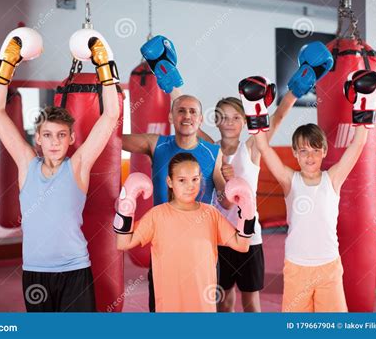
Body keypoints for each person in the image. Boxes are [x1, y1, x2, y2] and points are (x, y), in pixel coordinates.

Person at [0, 27, 120, 311]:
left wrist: (105, 67)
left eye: (61, 135)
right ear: (38, 139)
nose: (55, 141)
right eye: (47, 135)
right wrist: (6, 65)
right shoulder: (26, 164)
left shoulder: (78, 167)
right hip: (35, 273)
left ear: (72, 139)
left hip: (75, 272)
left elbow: (111, 115)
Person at [198, 41, 334, 312]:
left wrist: (295, 90)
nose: (228, 122)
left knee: (251, 302)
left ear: (244, 121)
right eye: (222, 117)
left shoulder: (252, 147)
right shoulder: (209, 148)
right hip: (219, 237)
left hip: (251, 237)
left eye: (235, 117)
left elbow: (280, 116)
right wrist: (169, 80)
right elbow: (186, 124)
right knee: (222, 301)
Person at [252, 69, 376, 312]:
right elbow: (263, 147)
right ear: (295, 154)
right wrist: (254, 109)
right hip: (297, 267)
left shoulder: (333, 179)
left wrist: (365, 99)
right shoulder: (289, 180)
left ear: (323, 152)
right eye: (303, 150)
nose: (309, 156)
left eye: (314, 150)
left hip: (328, 267)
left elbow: (359, 142)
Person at [123, 35, 230, 311]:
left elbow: (224, 197)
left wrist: (235, 193)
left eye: (193, 112)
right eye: (181, 111)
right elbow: (115, 140)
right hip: (164, 247)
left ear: (200, 118)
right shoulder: (155, 144)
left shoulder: (211, 153)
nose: (187, 116)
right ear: (171, 116)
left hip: (202, 248)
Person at [114, 153, 255, 312]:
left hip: (203, 306)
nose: (190, 186)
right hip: (169, 306)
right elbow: (123, 243)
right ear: (170, 182)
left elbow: (242, 245)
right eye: (182, 180)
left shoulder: (210, 214)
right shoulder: (157, 215)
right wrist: (126, 207)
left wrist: (247, 213)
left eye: (195, 179)